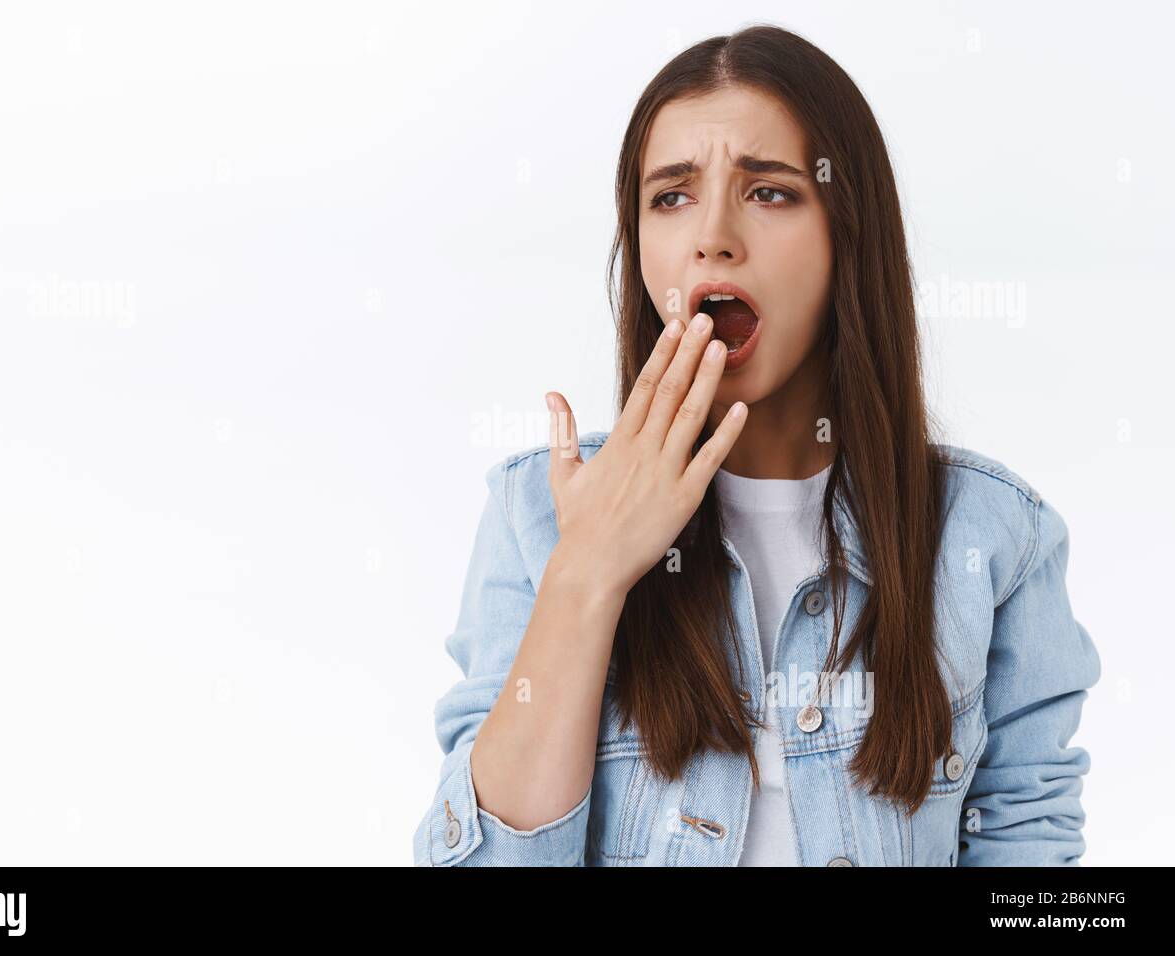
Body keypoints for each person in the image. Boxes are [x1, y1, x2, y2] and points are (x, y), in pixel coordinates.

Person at [413, 24, 1100, 867]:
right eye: (671, 196)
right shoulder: (536, 514)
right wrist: (587, 573)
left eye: (770, 192)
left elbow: (1035, 859)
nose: (713, 236)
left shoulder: (993, 536)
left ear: (848, 233)